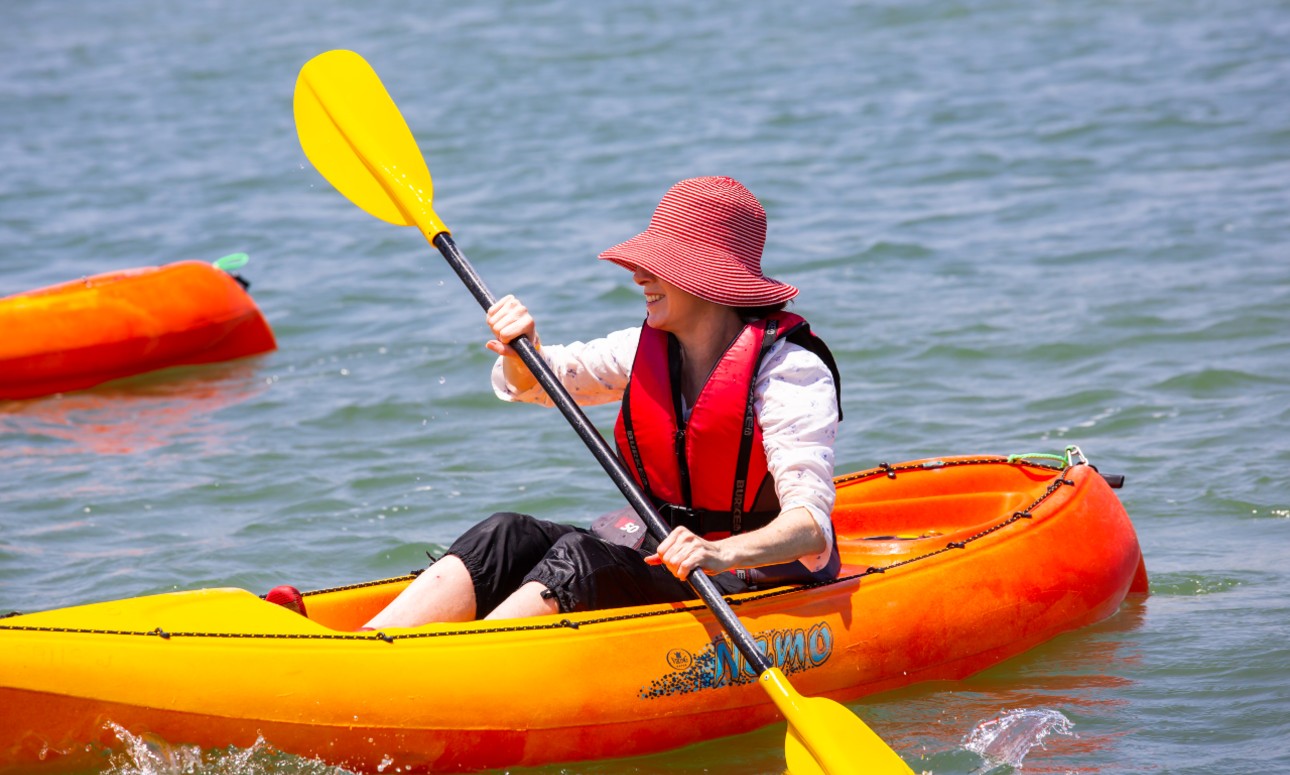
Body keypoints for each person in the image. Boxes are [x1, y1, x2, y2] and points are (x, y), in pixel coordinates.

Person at [272, 176, 843, 626]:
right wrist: (525, 350)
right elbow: (539, 382)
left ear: (706, 278)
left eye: (659, 265)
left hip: (760, 574)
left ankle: (463, 670)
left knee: (581, 558)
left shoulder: (789, 372)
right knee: (506, 532)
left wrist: (720, 555)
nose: (639, 275)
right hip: (669, 556)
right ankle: (375, 651)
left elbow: (810, 526)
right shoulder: (643, 350)